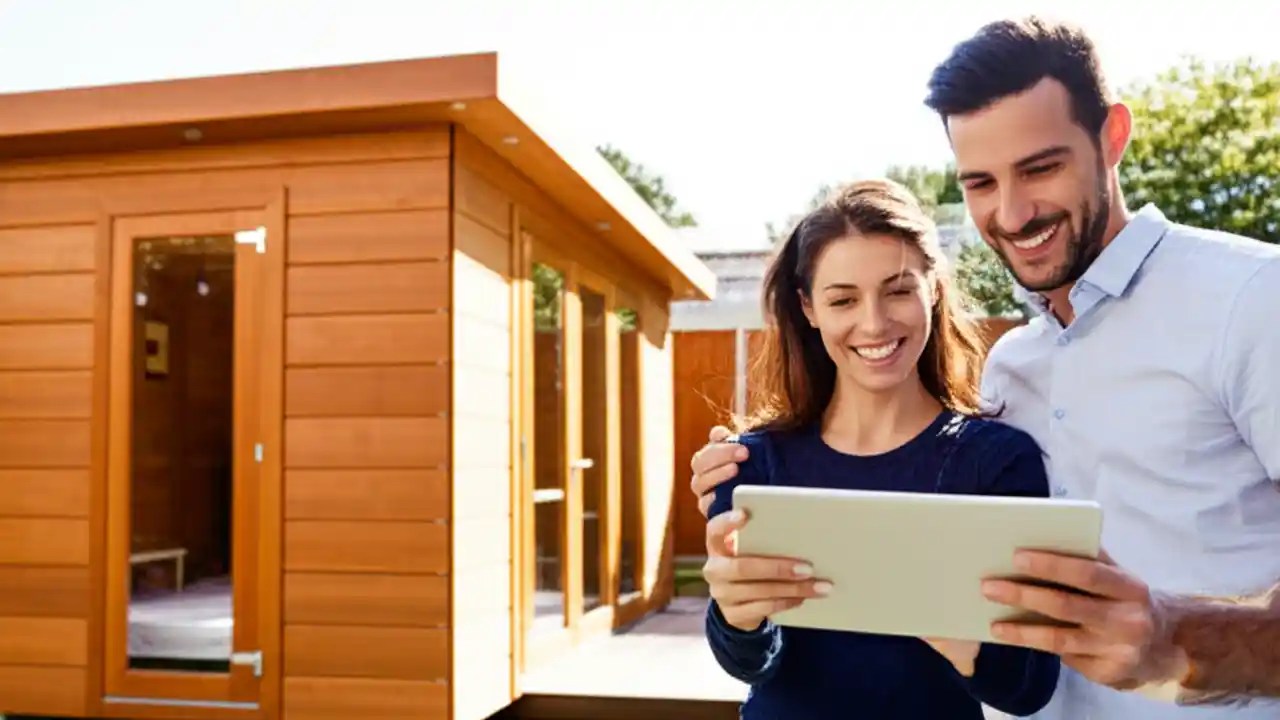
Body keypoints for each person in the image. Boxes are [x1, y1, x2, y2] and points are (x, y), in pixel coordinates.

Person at [690, 15, 1280, 719]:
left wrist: (1173, 639)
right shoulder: (1012, 369)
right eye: (979, 182)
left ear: (1113, 136)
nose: (1013, 211)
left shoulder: (1252, 300)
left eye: (1041, 167)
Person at [701, 178, 1060, 719]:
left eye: (897, 290)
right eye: (843, 299)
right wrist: (737, 616)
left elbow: (1028, 688)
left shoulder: (997, 462)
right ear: (808, 308)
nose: (874, 322)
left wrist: (935, 613)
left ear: (933, 289)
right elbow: (750, 663)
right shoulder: (755, 466)